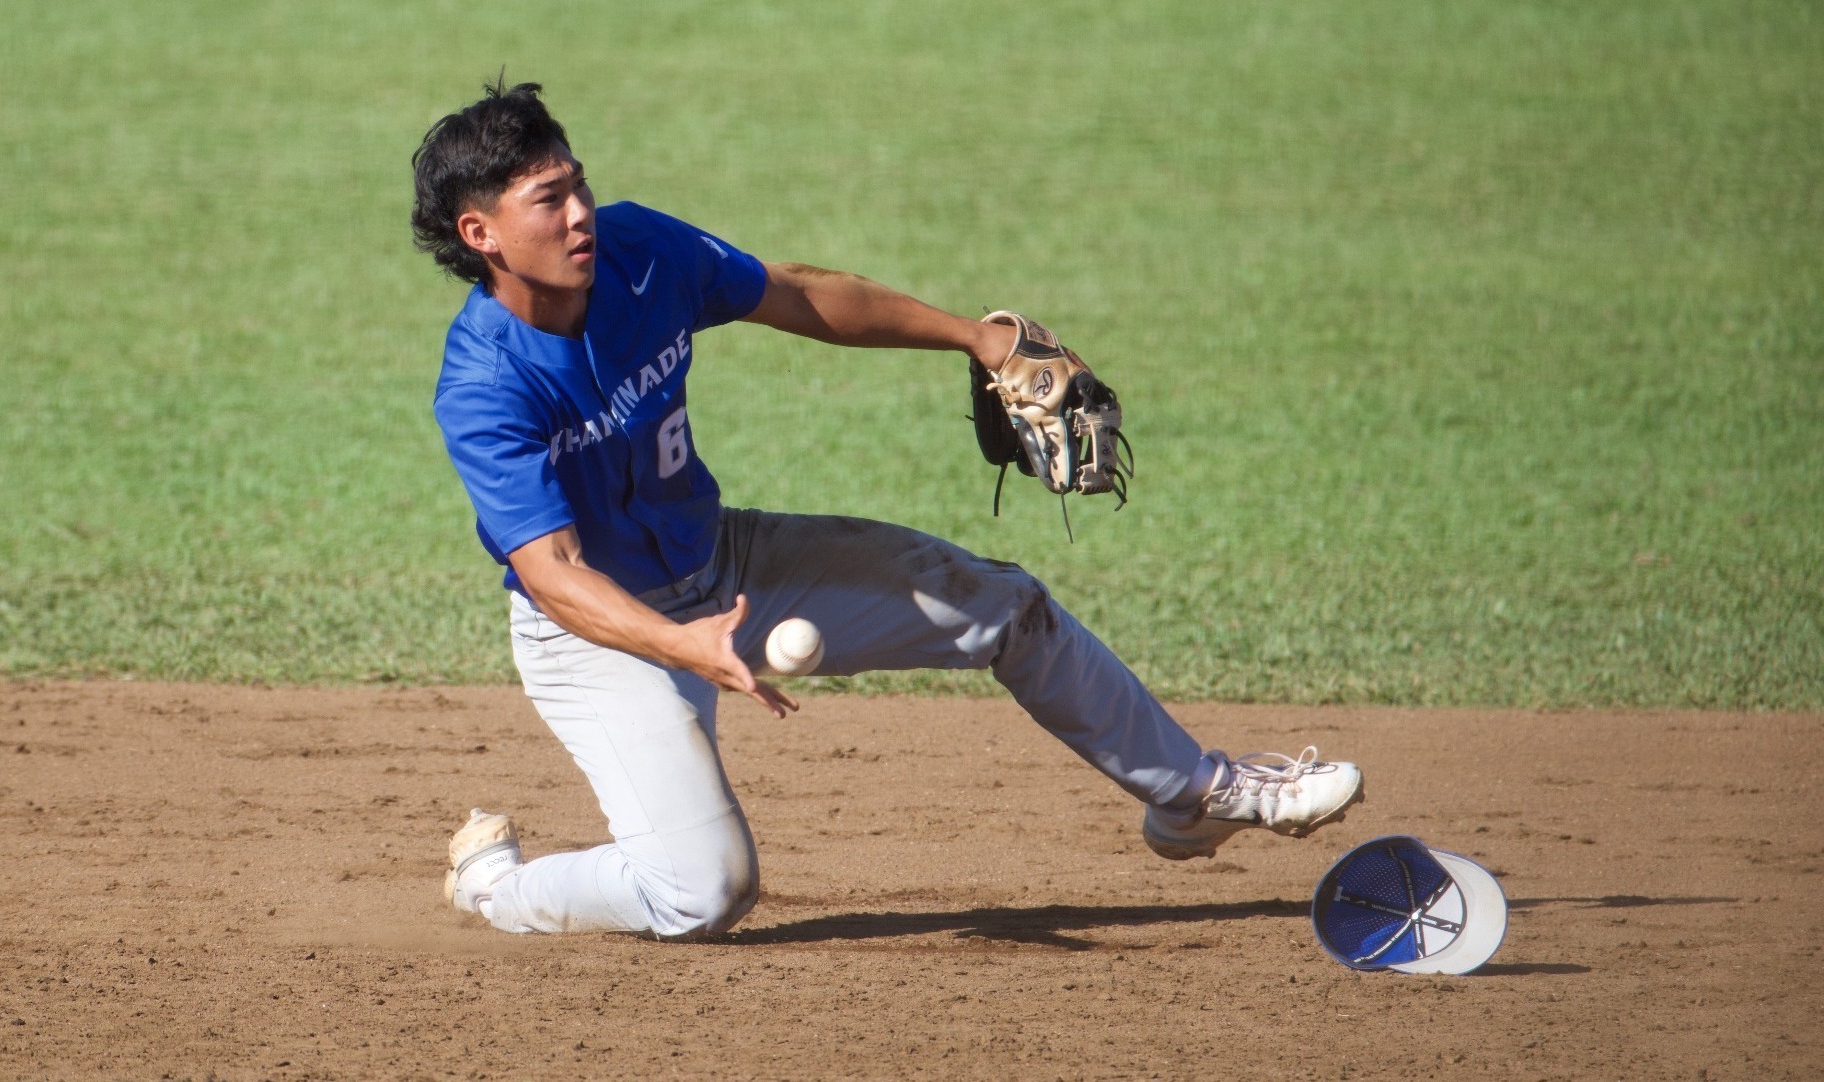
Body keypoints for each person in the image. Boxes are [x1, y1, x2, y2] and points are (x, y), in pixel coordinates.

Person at [412, 81, 1364, 939]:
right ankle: (500, 889)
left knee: (1002, 606)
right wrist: (684, 646)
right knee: (704, 892)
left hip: (727, 567)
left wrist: (976, 338)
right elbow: (555, 576)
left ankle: (1191, 794)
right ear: (480, 234)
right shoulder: (484, 385)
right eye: (549, 201)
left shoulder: (641, 252)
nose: (581, 213)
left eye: (577, 183)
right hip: (598, 641)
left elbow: (798, 294)